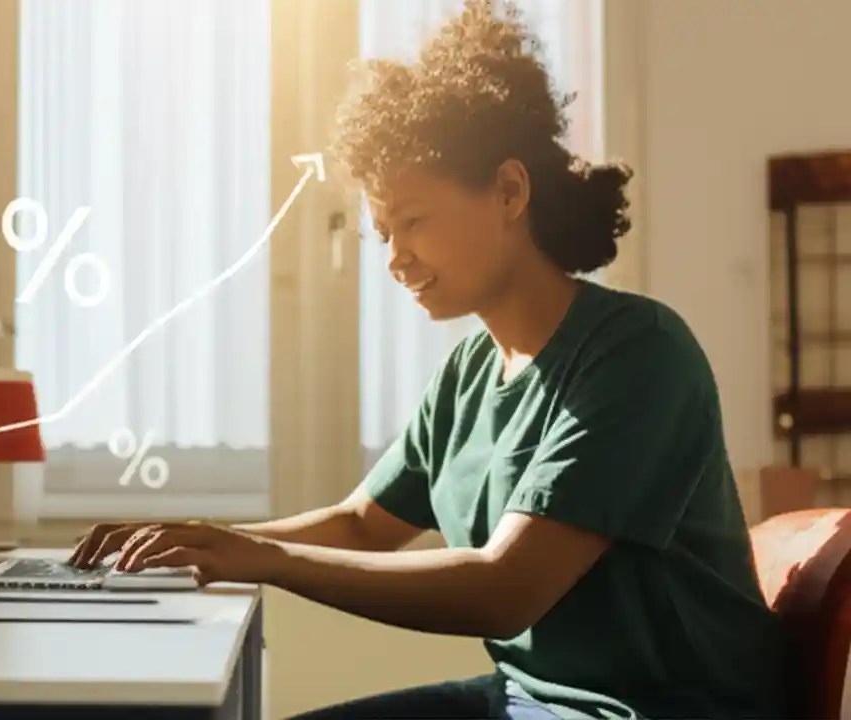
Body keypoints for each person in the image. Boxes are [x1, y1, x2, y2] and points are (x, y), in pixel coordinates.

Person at [69, 2, 786, 717]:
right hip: (527, 700)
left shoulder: (638, 354)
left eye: (413, 221)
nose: (395, 258)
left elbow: (505, 590)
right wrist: (202, 542)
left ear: (509, 191)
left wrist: (265, 560)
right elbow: (361, 524)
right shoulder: (470, 373)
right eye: (383, 232)